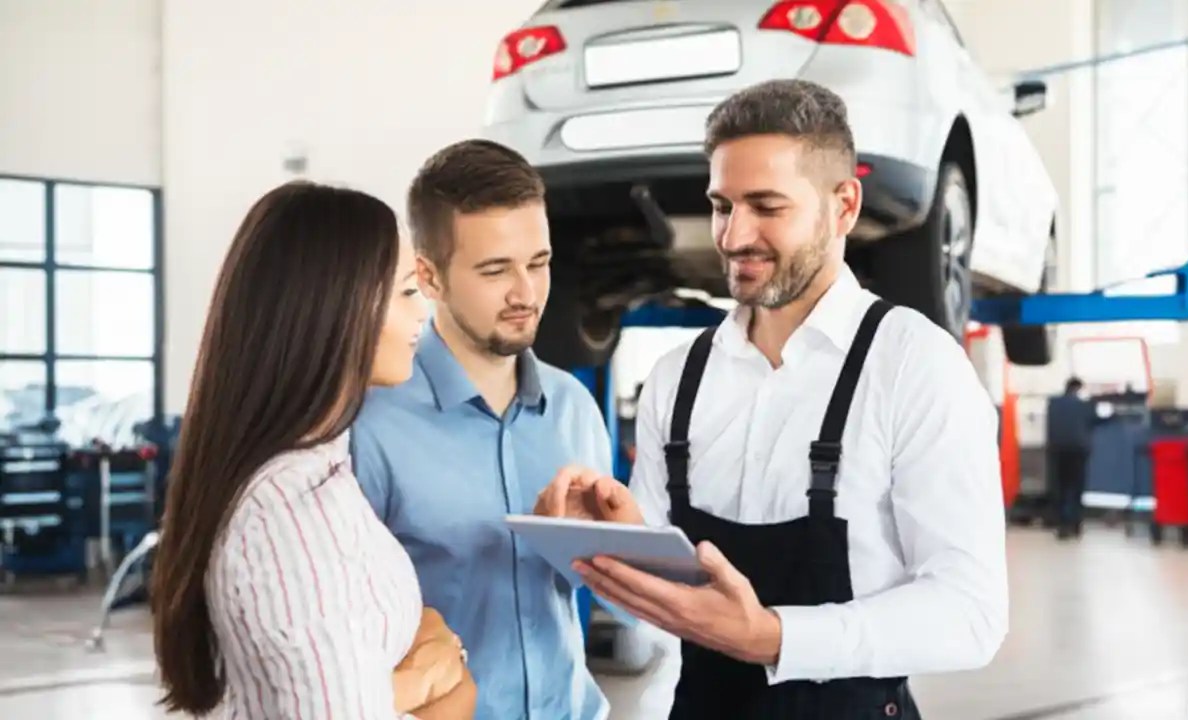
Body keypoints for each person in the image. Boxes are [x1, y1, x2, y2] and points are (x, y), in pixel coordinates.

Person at [536, 79, 1009, 719]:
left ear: (843, 206)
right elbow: (657, 610)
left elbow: (970, 612)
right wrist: (618, 545)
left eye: (766, 206)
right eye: (722, 205)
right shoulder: (680, 379)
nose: (733, 236)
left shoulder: (914, 367)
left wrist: (773, 638)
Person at [150, 181, 476, 719]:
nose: (425, 309)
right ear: (336, 311)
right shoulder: (287, 520)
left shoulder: (323, 470)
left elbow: (424, 623)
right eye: (403, 291)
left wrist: (430, 664)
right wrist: (440, 681)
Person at [350, 139, 612, 720]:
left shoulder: (575, 409)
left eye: (539, 264)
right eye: (495, 270)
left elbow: (618, 594)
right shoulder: (368, 425)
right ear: (429, 276)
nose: (526, 293)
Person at [1046, 376, 1095, 538]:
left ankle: (1062, 525)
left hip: (1058, 450)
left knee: (1060, 487)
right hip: (1078, 450)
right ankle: (1075, 523)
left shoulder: (1053, 402)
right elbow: (1094, 420)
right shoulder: (1084, 405)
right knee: (1076, 488)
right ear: (1078, 388)